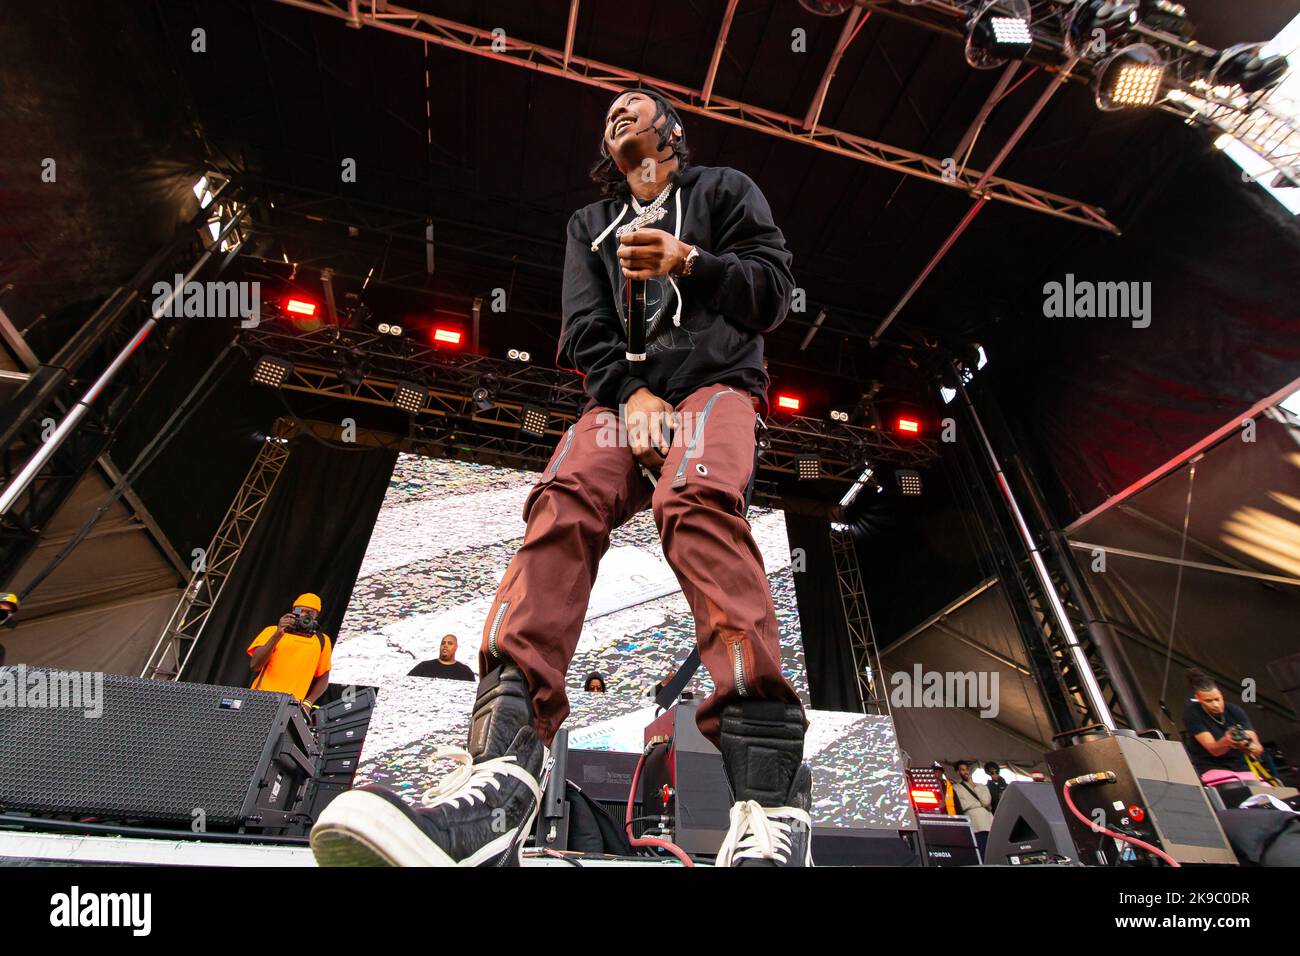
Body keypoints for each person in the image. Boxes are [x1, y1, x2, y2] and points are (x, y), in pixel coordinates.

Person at [312, 87, 808, 868]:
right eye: (607, 112)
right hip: (626, 397)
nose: (616, 113)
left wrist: (692, 262)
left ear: (672, 131)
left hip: (717, 385)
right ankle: (501, 778)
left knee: (696, 498)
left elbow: (773, 297)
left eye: (635, 106)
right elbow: (585, 328)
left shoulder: (724, 190)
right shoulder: (589, 226)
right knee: (563, 500)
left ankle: (772, 804)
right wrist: (631, 393)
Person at [247, 593, 332, 704]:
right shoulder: (272, 631)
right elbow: (255, 665)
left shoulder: (322, 640)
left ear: (316, 615)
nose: (303, 615)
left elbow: (324, 677)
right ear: (293, 612)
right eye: (300, 611)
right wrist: (278, 634)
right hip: (260, 698)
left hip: (291, 705)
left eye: (309, 613)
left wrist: (308, 703)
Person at [1182, 667, 1262, 779]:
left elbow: (1258, 748)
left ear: (1221, 694)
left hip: (1243, 767)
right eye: (1209, 701)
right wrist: (1227, 741)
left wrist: (1248, 746)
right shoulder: (1192, 713)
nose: (1215, 704)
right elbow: (1214, 751)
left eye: (1217, 699)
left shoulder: (1235, 710)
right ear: (1198, 698)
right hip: (1213, 767)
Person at [951, 760, 994, 859]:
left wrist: (974, 786)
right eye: (962, 770)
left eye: (967, 769)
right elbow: (962, 805)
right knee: (982, 855)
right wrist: (980, 804)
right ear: (958, 772)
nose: (966, 772)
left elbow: (986, 801)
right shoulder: (956, 788)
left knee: (994, 852)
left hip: (989, 824)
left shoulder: (981, 786)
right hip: (976, 826)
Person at [408, 634, 475, 681]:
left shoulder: (465, 671)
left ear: (456, 648)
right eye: (443, 643)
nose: (445, 645)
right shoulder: (424, 667)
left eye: (450, 643)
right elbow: (406, 684)